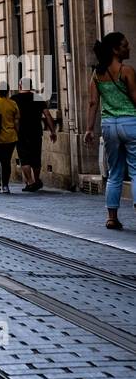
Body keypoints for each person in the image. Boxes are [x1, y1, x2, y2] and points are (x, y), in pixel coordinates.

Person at [84, 31, 136, 230]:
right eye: (125, 45)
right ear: (115, 50)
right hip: (130, 122)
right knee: (135, 170)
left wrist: (89, 128)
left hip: (108, 125)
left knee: (114, 172)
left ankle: (111, 217)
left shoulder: (97, 74)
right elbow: (134, 97)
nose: (128, 48)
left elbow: (92, 103)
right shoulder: (126, 71)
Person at [13, 79, 57, 192]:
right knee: (36, 157)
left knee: (24, 158)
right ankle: (36, 180)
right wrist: (53, 131)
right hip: (36, 131)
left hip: (20, 132)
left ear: (20, 86)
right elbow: (47, 114)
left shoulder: (14, 99)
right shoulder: (38, 98)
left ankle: (30, 182)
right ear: (31, 86)